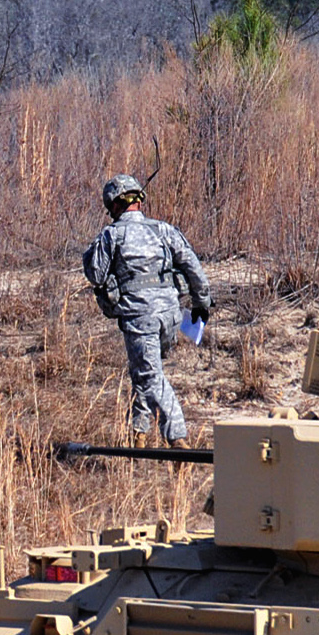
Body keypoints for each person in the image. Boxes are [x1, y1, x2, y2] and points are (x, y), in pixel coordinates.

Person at [81, 174, 211, 447]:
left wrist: (92, 251)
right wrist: (201, 303)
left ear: (114, 205)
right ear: (139, 200)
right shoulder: (163, 230)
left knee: (150, 375)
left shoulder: (111, 235)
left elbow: (95, 274)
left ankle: (177, 439)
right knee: (146, 369)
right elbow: (192, 265)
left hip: (140, 318)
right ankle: (138, 432)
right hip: (172, 317)